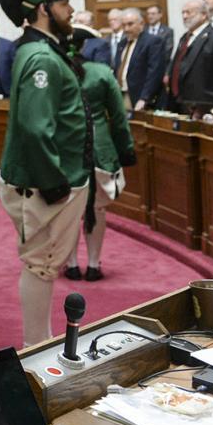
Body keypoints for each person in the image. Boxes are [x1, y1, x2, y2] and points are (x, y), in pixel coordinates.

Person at [0, 0, 92, 347]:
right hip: (48, 185)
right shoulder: (40, 57)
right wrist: (55, 185)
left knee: (44, 266)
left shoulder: (42, 51)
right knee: (42, 266)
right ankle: (35, 347)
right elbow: (36, 129)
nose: (71, 10)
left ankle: (40, 340)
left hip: (53, 180)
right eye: (65, 3)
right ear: (42, 9)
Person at [65, 24, 136, 281]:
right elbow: (118, 118)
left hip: (66, 150)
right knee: (98, 208)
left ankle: (71, 264)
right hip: (100, 149)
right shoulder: (102, 72)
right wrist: (126, 151)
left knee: (68, 210)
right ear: (86, 45)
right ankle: (94, 265)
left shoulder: (56, 72)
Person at [166, 0, 213, 116]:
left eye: (189, 12)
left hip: (207, 106)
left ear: (204, 15)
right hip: (181, 103)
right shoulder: (185, 37)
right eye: (183, 13)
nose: (184, 16)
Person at [113, 7, 167, 109]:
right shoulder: (122, 44)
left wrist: (144, 98)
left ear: (141, 24)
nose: (126, 29)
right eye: (123, 25)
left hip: (141, 97)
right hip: (122, 94)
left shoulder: (153, 42)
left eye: (130, 24)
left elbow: (155, 72)